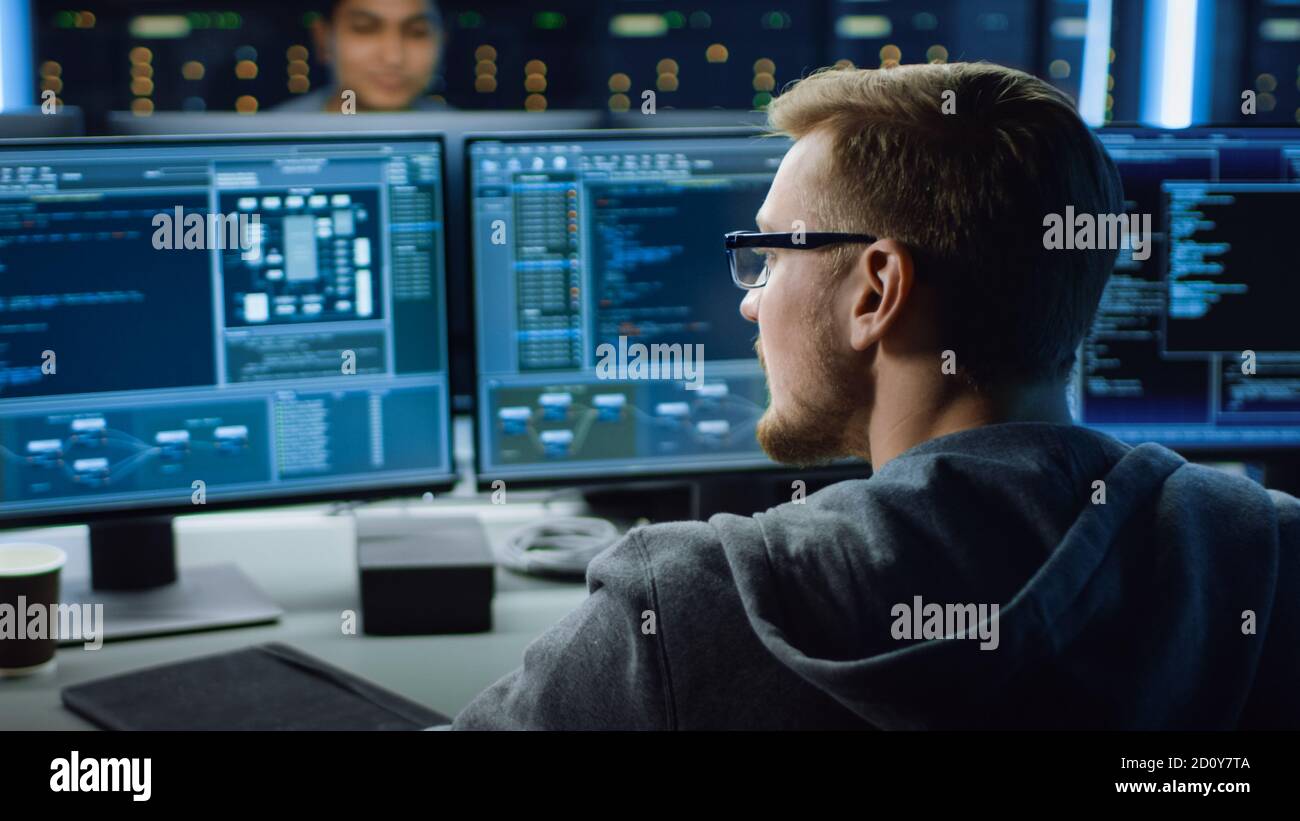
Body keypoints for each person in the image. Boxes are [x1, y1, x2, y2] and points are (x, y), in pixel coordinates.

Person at [451, 62, 1300, 730]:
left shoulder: (684, 605)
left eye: (771, 256)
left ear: (875, 290)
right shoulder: (1267, 556)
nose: (752, 296)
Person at [276, 0, 446, 113]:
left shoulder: (466, 136)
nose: (393, 58)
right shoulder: (273, 137)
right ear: (323, 39)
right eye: (364, 28)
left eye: (418, 32)